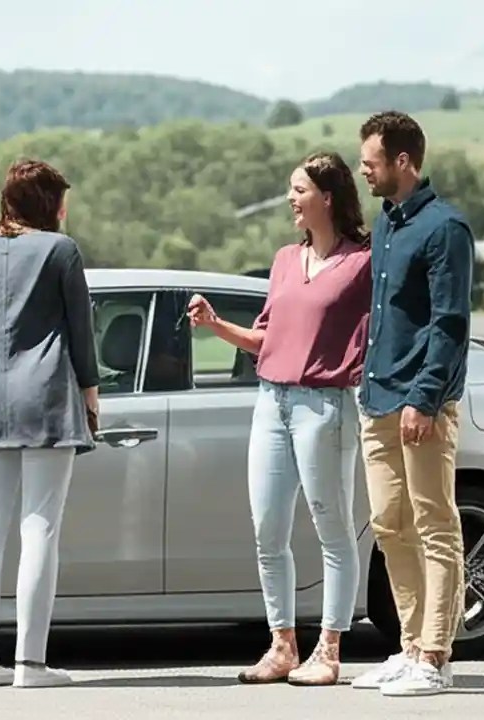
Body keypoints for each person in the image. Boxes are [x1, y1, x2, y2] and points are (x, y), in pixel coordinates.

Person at [188, 151, 372, 686]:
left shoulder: (362, 262)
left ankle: (331, 650)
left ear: (328, 197)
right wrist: (217, 325)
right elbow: (268, 338)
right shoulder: (285, 260)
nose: (291, 199)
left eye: (299, 190)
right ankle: (283, 646)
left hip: (325, 405)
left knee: (331, 529)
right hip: (272, 401)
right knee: (268, 529)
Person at [0, 158, 101, 690]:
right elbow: (81, 332)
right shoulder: (62, 251)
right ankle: (30, 666)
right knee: (39, 530)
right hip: (47, 401)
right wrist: (90, 391)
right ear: (49, 205)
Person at [348, 110, 474, 697]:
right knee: (389, 525)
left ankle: (436, 655)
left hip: (421, 404)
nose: (363, 171)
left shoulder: (445, 228)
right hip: (377, 398)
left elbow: (448, 325)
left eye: (370, 161)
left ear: (403, 161)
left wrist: (424, 399)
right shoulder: (388, 222)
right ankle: (408, 646)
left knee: (435, 525)